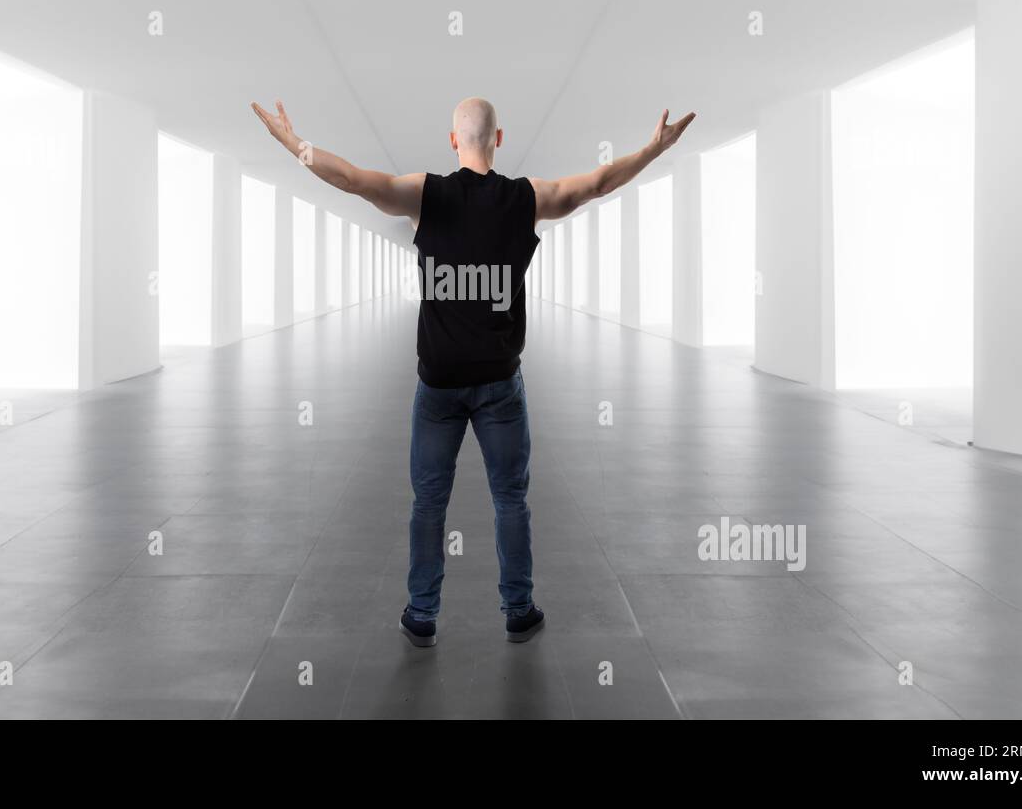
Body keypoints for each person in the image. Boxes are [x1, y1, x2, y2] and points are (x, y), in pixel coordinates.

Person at [251, 97, 695, 647]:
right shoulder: (525, 198)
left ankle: (422, 614)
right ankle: (518, 610)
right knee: (511, 498)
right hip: (500, 385)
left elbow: (352, 181)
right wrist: (654, 148)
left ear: (453, 140)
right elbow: (600, 182)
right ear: (499, 138)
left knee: (429, 503)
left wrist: (294, 144)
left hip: (437, 387)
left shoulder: (424, 194)